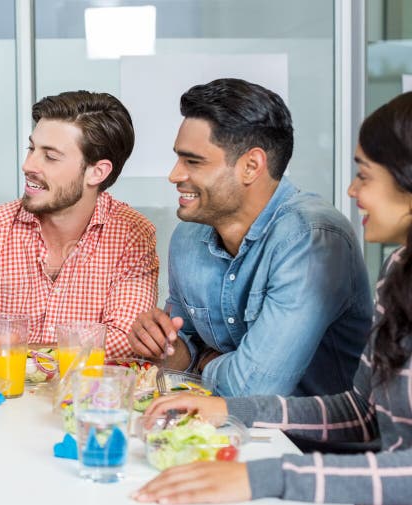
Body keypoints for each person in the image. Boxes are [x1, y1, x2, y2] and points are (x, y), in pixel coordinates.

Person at [132, 91, 412, 505]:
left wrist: (264, 476)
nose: (351, 190)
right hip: (362, 502)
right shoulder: (399, 269)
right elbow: (361, 414)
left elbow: (256, 381)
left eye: (364, 174)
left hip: (327, 476)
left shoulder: (313, 233)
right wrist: (223, 406)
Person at [127, 78, 373, 397]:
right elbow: (181, 352)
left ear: (251, 166)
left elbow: (252, 389)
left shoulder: (312, 239)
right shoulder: (188, 236)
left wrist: (204, 365)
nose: (175, 175)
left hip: (310, 441)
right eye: (178, 159)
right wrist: (162, 347)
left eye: (193, 161)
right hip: (220, 431)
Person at [0, 90, 158, 373]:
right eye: (32, 149)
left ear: (97, 172)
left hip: (81, 409)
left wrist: (10, 352)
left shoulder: (132, 235)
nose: (28, 165)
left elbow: (127, 341)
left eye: (50, 156)